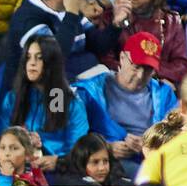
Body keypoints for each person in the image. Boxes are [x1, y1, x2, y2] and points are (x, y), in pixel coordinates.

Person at [75, 32, 180, 173]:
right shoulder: (91, 90)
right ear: (122, 58)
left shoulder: (164, 94)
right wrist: (104, 148)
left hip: (155, 163)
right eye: (136, 67)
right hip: (106, 165)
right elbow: (74, 135)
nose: (140, 76)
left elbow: (178, 137)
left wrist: (149, 145)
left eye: (148, 70)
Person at [94, 0, 187, 86]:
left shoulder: (171, 21)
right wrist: (116, 25)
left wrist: (150, 72)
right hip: (120, 85)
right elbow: (105, 59)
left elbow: (182, 66)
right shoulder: (111, 16)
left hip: (161, 86)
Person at [0, 0, 95, 82]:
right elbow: (53, 60)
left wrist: (116, 24)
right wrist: (72, 14)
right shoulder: (27, 20)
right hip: (35, 95)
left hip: (70, 81)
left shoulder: (66, 6)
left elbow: (96, 44)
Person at [3, 35, 88, 169]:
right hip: (19, 169)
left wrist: (58, 160)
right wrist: (23, 142)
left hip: (59, 171)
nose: (32, 63)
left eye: (39, 57)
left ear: (51, 63)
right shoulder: (13, 98)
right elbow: (5, 139)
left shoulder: (66, 101)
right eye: (28, 57)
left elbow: (77, 148)